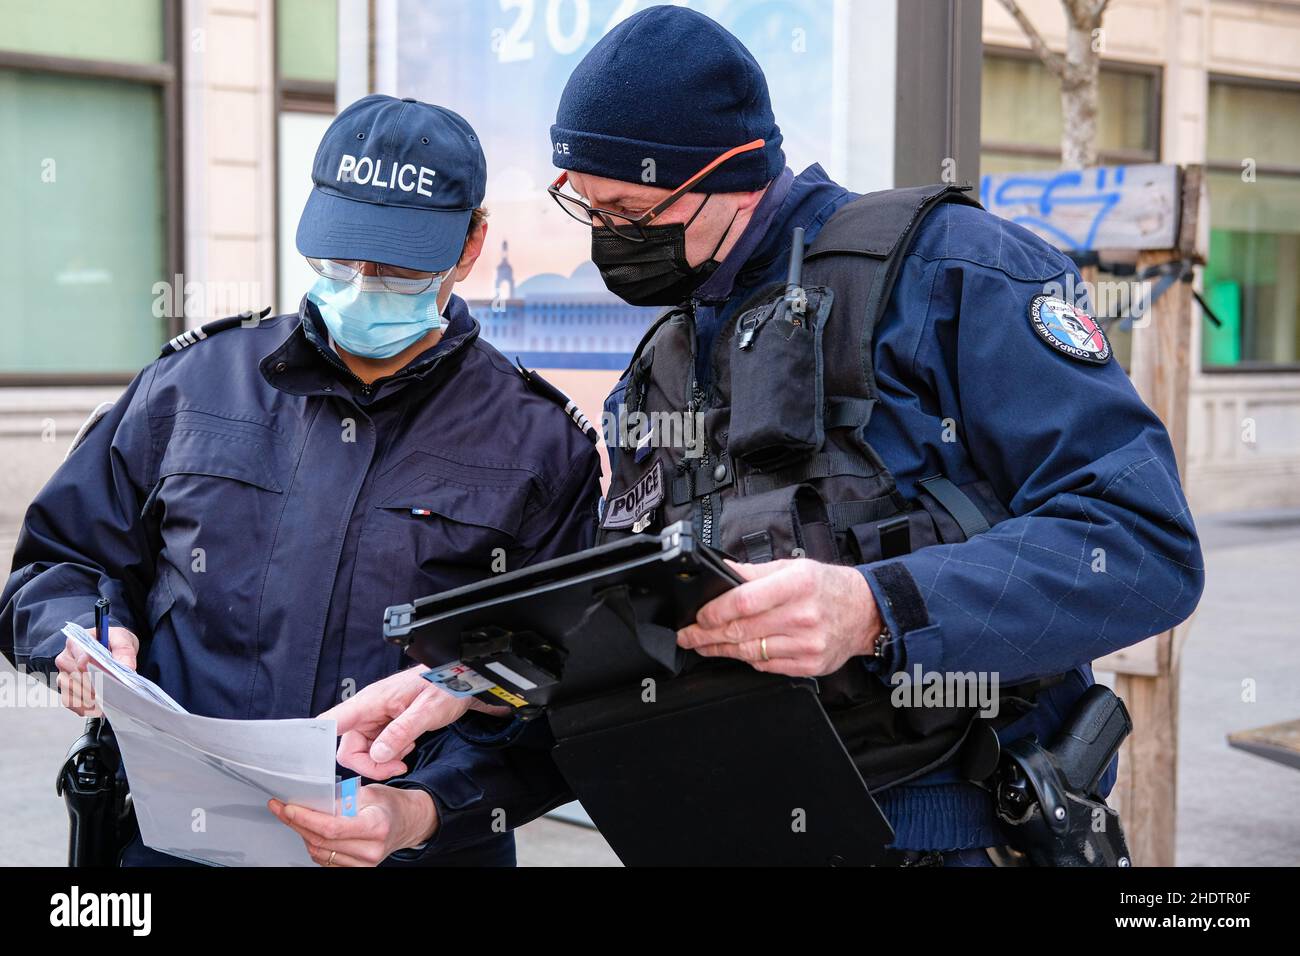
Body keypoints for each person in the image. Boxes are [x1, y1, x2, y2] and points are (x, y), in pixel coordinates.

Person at [325, 6, 1205, 865]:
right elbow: (623, 639)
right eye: (586, 209)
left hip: (954, 830)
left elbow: (1141, 546)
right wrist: (467, 684)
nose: (609, 241)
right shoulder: (662, 366)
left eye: (632, 212)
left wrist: (876, 608)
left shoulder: (953, 273)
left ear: (737, 169)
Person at [0, 94, 598, 867]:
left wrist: (420, 811)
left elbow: (560, 689)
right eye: (340, 256)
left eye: (396, 264)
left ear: (472, 243)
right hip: (175, 850)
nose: (361, 282)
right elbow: (58, 564)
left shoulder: (539, 444)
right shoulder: (191, 385)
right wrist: (77, 638)